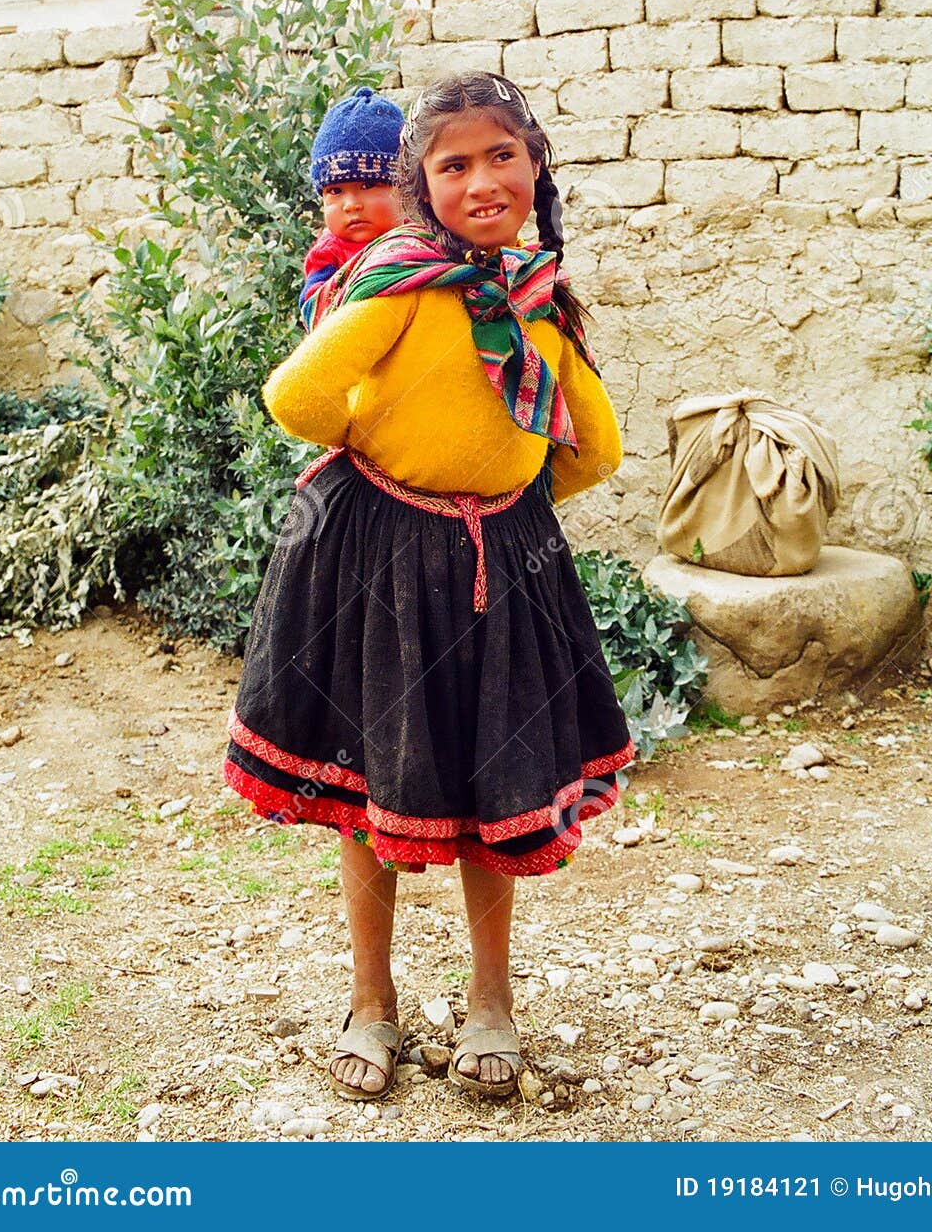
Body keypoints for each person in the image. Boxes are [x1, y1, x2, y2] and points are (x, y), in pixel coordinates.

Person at [224, 70, 634, 1104]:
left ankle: (489, 1003)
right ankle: (373, 1002)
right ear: (422, 188)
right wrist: (392, 450)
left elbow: (596, 450)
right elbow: (299, 394)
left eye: (503, 156)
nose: (482, 178)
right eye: (454, 163)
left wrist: (508, 475)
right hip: (380, 565)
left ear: (536, 170)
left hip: (503, 568)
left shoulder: (542, 304)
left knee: (492, 789)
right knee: (368, 789)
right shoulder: (399, 283)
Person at [299, 84, 404, 314]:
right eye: (335, 191)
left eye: (368, 185)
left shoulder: (423, 238)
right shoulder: (329, 254)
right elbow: (314, 311)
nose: (351, 205)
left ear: (405, 189)